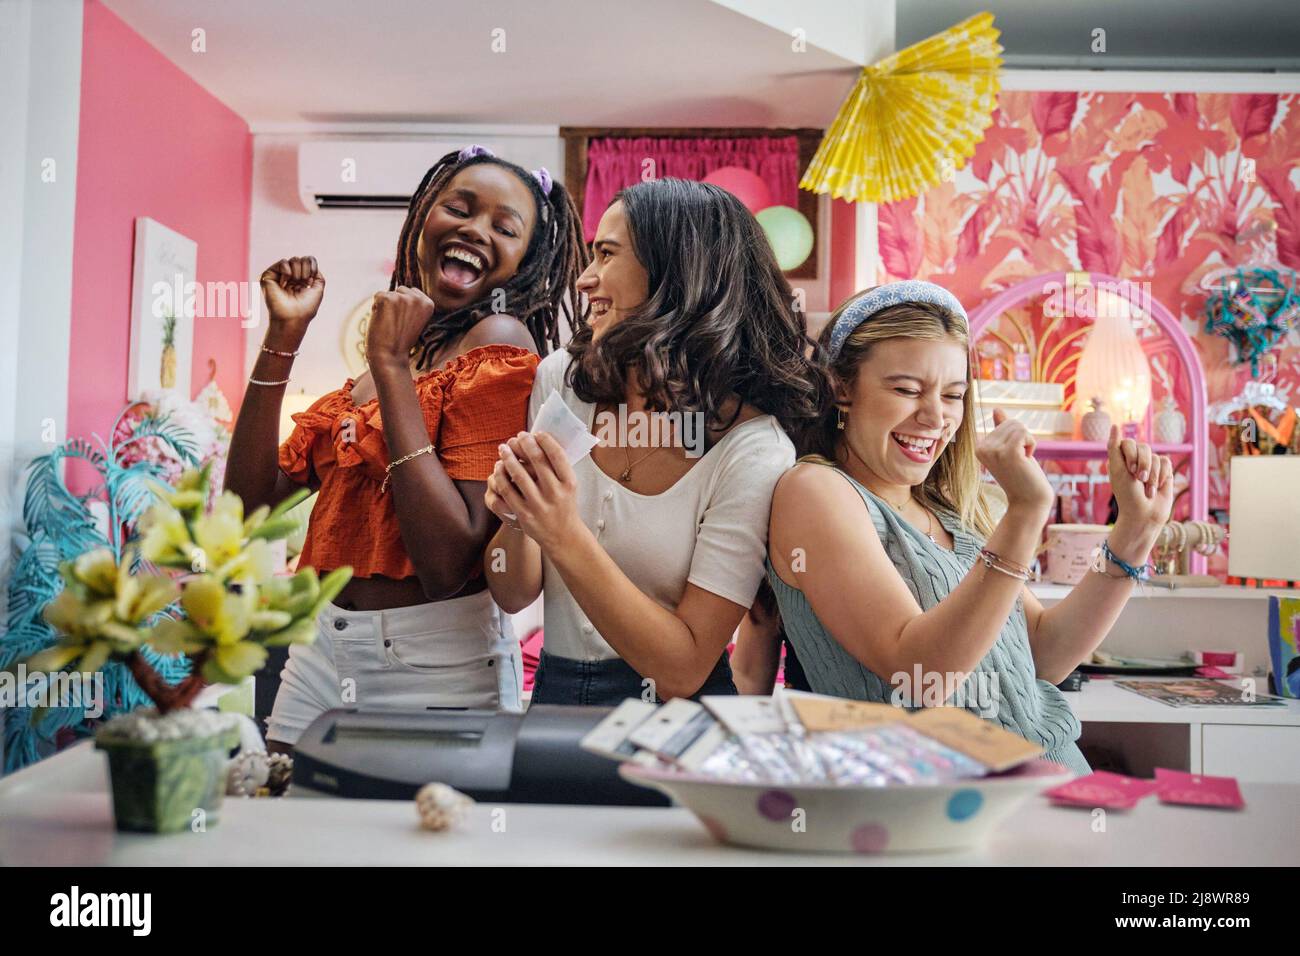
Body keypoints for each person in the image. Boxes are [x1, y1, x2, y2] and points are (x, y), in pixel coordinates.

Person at [225, 146, 588, 750]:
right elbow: (249, 504)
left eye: (504, 227)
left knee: (422, 839)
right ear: (424, 217)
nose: (475, 229)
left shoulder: (497, 342)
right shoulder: (381, 371)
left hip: (434, 666)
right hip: (319, 653)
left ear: (526, 261)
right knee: (284, 823)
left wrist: (390, 365)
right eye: (459, 208)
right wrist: (283, 336)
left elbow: (447, 563)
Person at [765, 281, 1174, 773]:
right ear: (841, 388)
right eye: (906, 389)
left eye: (954, 395)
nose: (935, 416)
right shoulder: (816, 491)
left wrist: (1133, 534)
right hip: (945, 808)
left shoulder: (946, 512)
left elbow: (1042, 654)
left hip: (1051, 785)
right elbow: (920, 675)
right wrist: (1024, 513)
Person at [482, 178, 821, 705]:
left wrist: (562, 530)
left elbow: (682, 670)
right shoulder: (564, 382)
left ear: (676, 274)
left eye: (606, 255)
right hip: (554, 696)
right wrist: (518, 519)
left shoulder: (752, 449)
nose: (584, 280)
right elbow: (511, 590)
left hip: (677, 718)